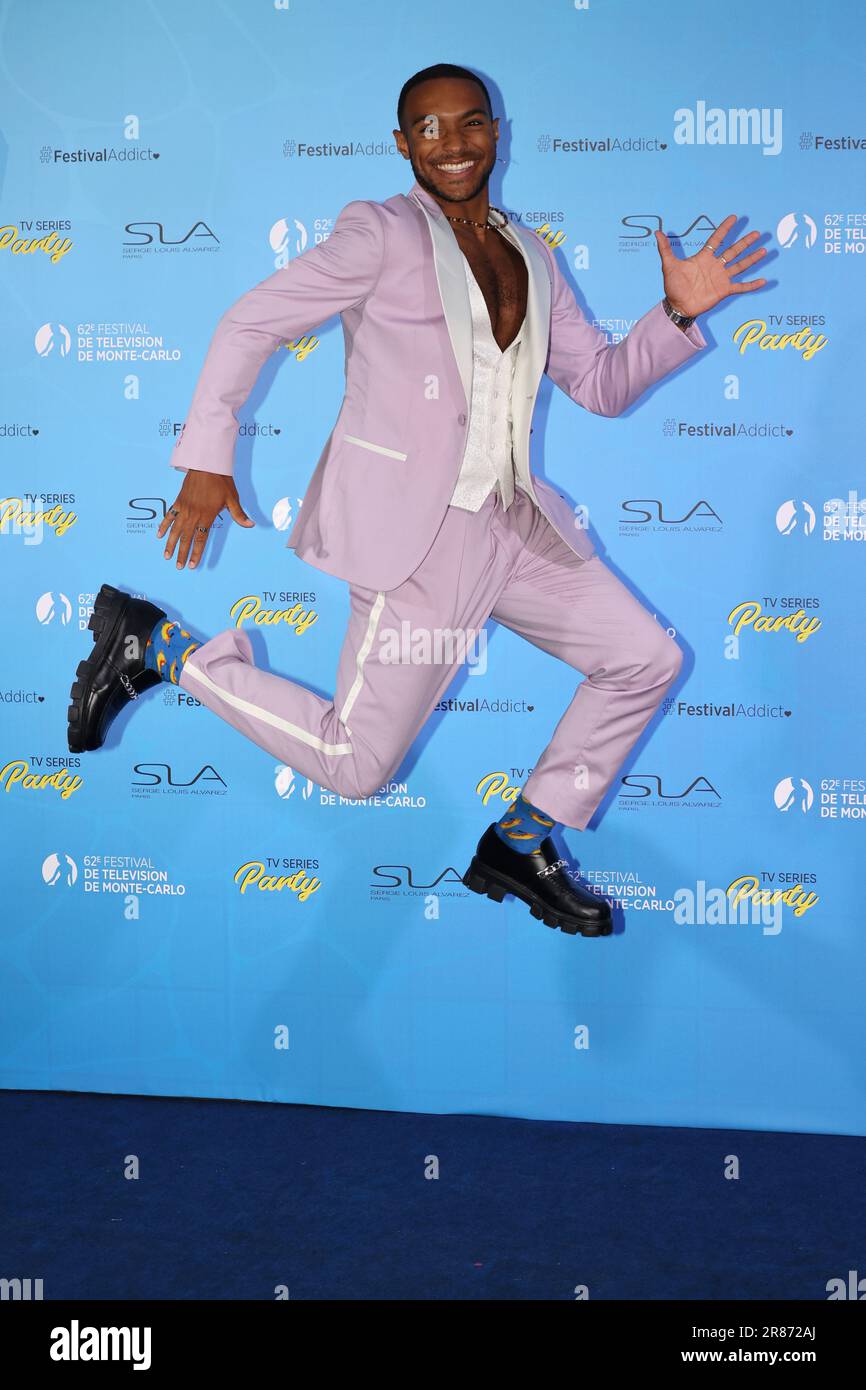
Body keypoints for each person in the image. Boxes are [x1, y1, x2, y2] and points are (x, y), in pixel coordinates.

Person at [67, 63, 768, 939]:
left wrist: (673, 311)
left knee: (645, 660)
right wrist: (208, 457)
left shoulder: (535, 255)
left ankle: (521, 840)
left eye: (469, 124)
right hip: (418, 538)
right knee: (356, 766)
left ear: (495, 133)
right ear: (403, 144)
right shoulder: (381, 235)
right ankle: (162, 647)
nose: (452, 145)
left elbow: (600, 384)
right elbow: (252, 322)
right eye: (428, 130)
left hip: (516, 528)